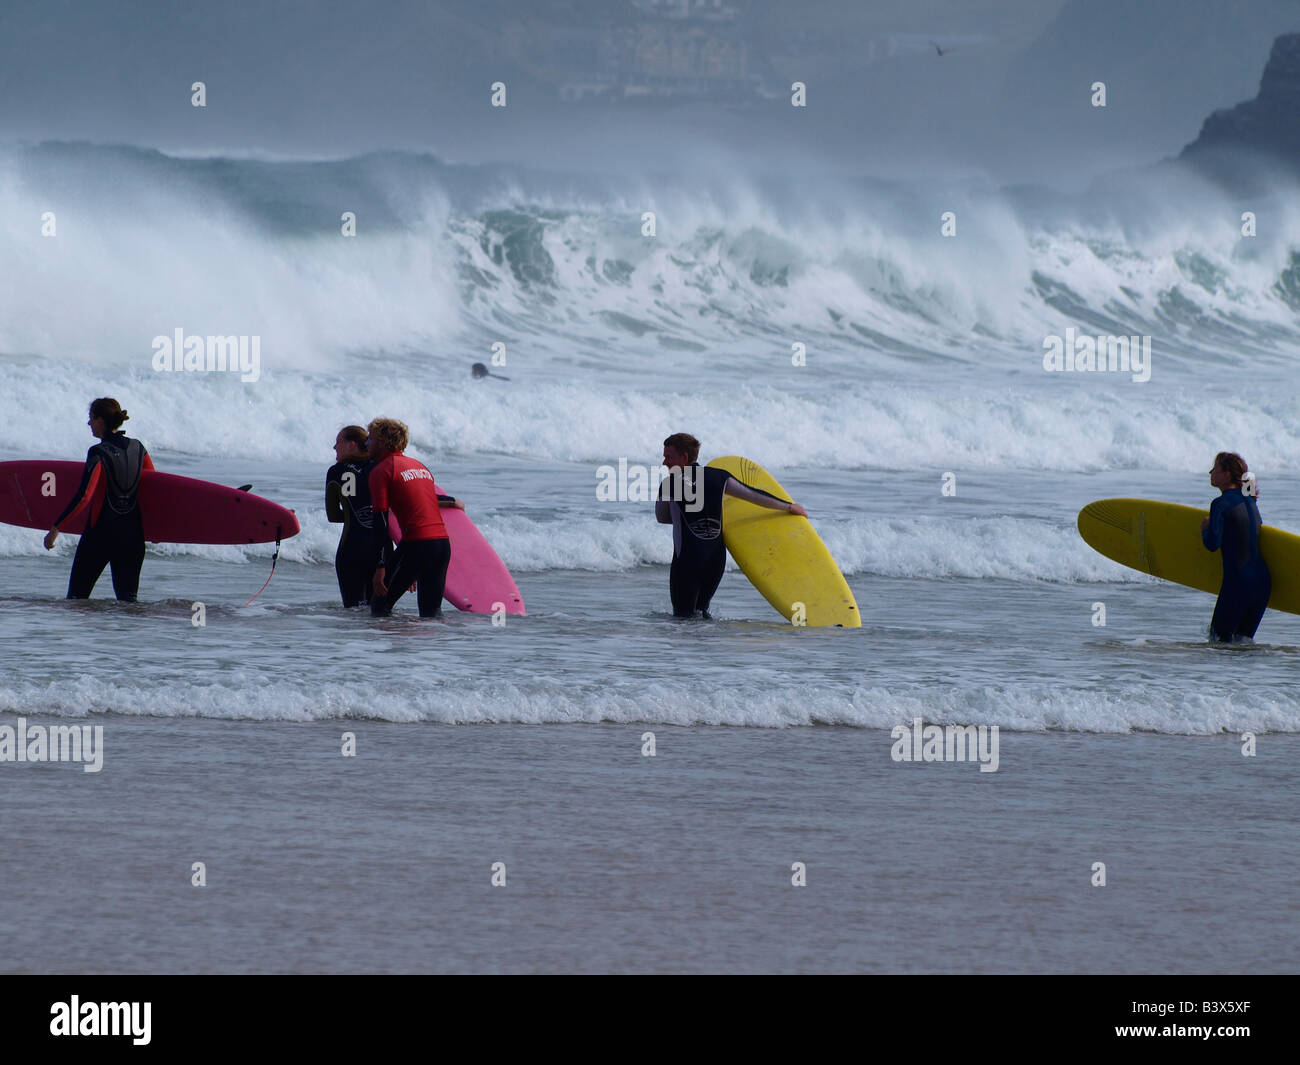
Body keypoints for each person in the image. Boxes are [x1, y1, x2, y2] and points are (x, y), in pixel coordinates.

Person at [655, 433, 806, 619]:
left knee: (683, 617)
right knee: (702, 613)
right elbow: (754, 495)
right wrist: (789, 507)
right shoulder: (719, 477)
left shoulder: (670, 483)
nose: (664, 463)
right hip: (715, 562)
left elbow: (662, 517)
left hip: (687, 562)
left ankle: (688, 649)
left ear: (684, 457)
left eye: (668, 457)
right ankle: (710, 646)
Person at [43, 398, 154, 601]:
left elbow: (85, 495)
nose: (89, 424)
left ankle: (87, 635)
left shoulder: (98, 452)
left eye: (91, 419)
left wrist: (56, 528)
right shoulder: (139, 448)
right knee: (128, 603)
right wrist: (157, 529)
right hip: (133, 536)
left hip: (101, 534)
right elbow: (153, 491)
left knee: (77, 599)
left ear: (101, 421)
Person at [366, 418, 461, 618]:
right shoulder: (419, 467)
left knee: (379, 606)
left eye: (370, 439)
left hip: (417, 545)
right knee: (431, 613)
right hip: (441, 545)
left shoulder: (382, 471)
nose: (366, 444)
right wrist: (409, 564)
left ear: (382, 442)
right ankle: (435, 649)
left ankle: (386, 648)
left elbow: (381, 523)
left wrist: (380, 566)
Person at [1201, 451, 1271, 643]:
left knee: (1219, 642)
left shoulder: (1220, 504)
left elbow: (1212, 544)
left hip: (1238, 583)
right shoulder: (1250, 500)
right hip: (1262, 584)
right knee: (1243, 644)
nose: (1210, 472)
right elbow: (1250, 486)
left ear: (1226, 474)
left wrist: (1205, 529)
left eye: (1215, 468)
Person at [325, 425, 385, 607]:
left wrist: (355, 515)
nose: (334, 447)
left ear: (352, 445)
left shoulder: (336, 471)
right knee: (381, 613)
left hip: (352, 550)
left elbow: (333, 515)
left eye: (338, 442)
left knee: (354, 612)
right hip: (382, 553)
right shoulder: (382, 467)